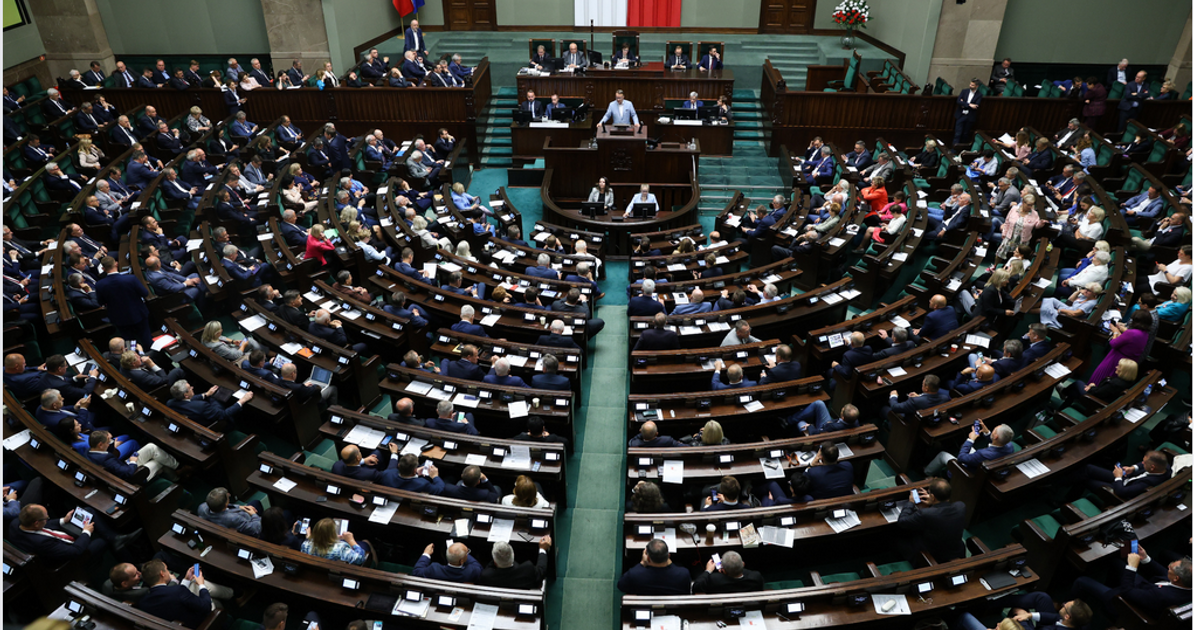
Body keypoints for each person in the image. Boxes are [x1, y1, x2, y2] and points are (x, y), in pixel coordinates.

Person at [1071, 545, 1192, 616]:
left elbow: (1127, 591)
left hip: (1126, 602)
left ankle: (1070, 609)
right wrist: (1145, 558)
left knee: (1081, 581)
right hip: (1145, 589)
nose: (1168, 566)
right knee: (1116, 562)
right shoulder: (1188, 583)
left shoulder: (1162, 596)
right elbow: (1164, 575)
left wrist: (1132, 567)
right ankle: (1108, 588)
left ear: (1176, 579)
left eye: (1171, 568)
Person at [896, 478, 966, 562]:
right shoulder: (961, 506)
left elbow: (902, 521)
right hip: (955, 550)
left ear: (932, 496)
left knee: (896, 536)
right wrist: (933, 503)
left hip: (933, 554)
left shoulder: (926, 514)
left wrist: (910, 502)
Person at [135, 560, 215, 628]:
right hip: (199, 623)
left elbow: (176, 595)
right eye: (166, 570)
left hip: (177, 625)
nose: (168, 572)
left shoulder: (143, 602)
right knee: (215, 602)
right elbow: (206, 606)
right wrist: (201, 584)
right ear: (162, 573)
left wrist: (186, 579)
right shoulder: (177, 591)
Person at [95, 256, 152, 347]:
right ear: (116, 264)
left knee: (129, 341)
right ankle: (153, 355)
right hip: (138, 313)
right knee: (145, 337)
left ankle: (134, 358)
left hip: (119, 317)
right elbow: (144, 293)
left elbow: (101, 302)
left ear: (103, 269)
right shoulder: (131, 279)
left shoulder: (100, 285)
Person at [925, 421, 1015, 477]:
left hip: (967, 473)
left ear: (995, 437)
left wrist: (971, 439)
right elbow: (997, 442)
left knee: (942, 455)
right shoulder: (1009, 445)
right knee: (966, 446)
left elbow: (961, 458)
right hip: (985, 465)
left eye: (994, 431)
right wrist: (987, 432)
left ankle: (927, 472)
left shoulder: (982, 454)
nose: (992, 430)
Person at [1089, 309, 1152, 383]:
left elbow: (1113, 343)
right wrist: (1120, 331)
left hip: (1117, 359)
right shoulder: (1145, 334)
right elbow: (1128, 341)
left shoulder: (1131, 333)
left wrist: (1115, 332)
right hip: (1128, 363)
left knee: (1101, 378)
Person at [1080, 449, 1171, 500]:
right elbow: (1144, 464)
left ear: (1152, 468)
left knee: (1086, 480)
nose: (1142, 463)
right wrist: (1133, 468)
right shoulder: (1165, 467)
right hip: (1125, 479)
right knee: (1089, 468)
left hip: (1120, 489)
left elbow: (1122, 492)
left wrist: (1118, 477)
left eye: (1144, 463)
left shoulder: (1148, 483)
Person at [1057, 357, 1138, 411]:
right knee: (1074, 393)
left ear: (1124, 371)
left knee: (1078, 383)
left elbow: (1097, 394)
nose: (1116, 367)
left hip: (1095, 401)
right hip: (1103, 398)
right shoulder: (1130, 382)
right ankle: (1060, 409)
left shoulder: (1114, 384)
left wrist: (1092, 387)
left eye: (1119, 366)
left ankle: (1063, 392)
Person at [617, 538, 691, 595]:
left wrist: (642, 563)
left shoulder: (634, 574)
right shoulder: (683, 574)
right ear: (668, 555)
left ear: (648, 558)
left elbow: (621, 586)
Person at [168, 380, 251, 427]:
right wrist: (242, 400)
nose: (192, 388)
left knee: (211, 396)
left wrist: (206, 394)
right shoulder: (202, 406)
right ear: (186, 395)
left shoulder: (170, 403)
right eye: (190, 388)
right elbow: (223, 414)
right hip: (214, 425)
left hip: (194, 420)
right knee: (215, 398)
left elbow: (189, 400)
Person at [480, 537, 551, 589]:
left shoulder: (486, 575)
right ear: (513, 555)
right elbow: (541, 570)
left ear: (494, 561)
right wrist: (542, 549)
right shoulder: (527, 570)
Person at [302, 518, 369, 565]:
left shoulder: (305, 544)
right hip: (335, 570)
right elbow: (360, 559)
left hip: (318, 569)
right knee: (366, 543)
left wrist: (309, 537)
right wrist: (351, 541)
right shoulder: (341, 548)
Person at [198, 487, 262, 536]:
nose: (229, 494)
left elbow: (227, 506)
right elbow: (255, 529)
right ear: (225, 505)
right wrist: (254, 514)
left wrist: (239, 507)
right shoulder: (234, 518)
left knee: (255, 502)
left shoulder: (203, 507)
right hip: (249, 527)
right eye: (228, 496)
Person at [692, 551, 764, 594]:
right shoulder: (756, 577)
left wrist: (708, 570)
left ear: (724, 571)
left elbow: (696, 587)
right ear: (743, 564)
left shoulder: (714, 579)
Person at [413, 542, 481, 583]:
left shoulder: (434, 569)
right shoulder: (472, 572)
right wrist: (460, 554)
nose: (467, 554)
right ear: (461, 561)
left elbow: (417, 571)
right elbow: (478, 566)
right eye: (467, 553)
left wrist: (426, 554)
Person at [953, 79, 983, 145]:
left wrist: (964, 103)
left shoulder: (979, 95)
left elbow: (976, 106)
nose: (970, 86)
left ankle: (961, 148)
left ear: (977, 86)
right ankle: (954, 149)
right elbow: (958, 101)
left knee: (965, 134)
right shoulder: (964, 91)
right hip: (961, 115)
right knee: (958, 133)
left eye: (972, 85)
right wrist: (969, 104)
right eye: (970, 84)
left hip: (969, 116)